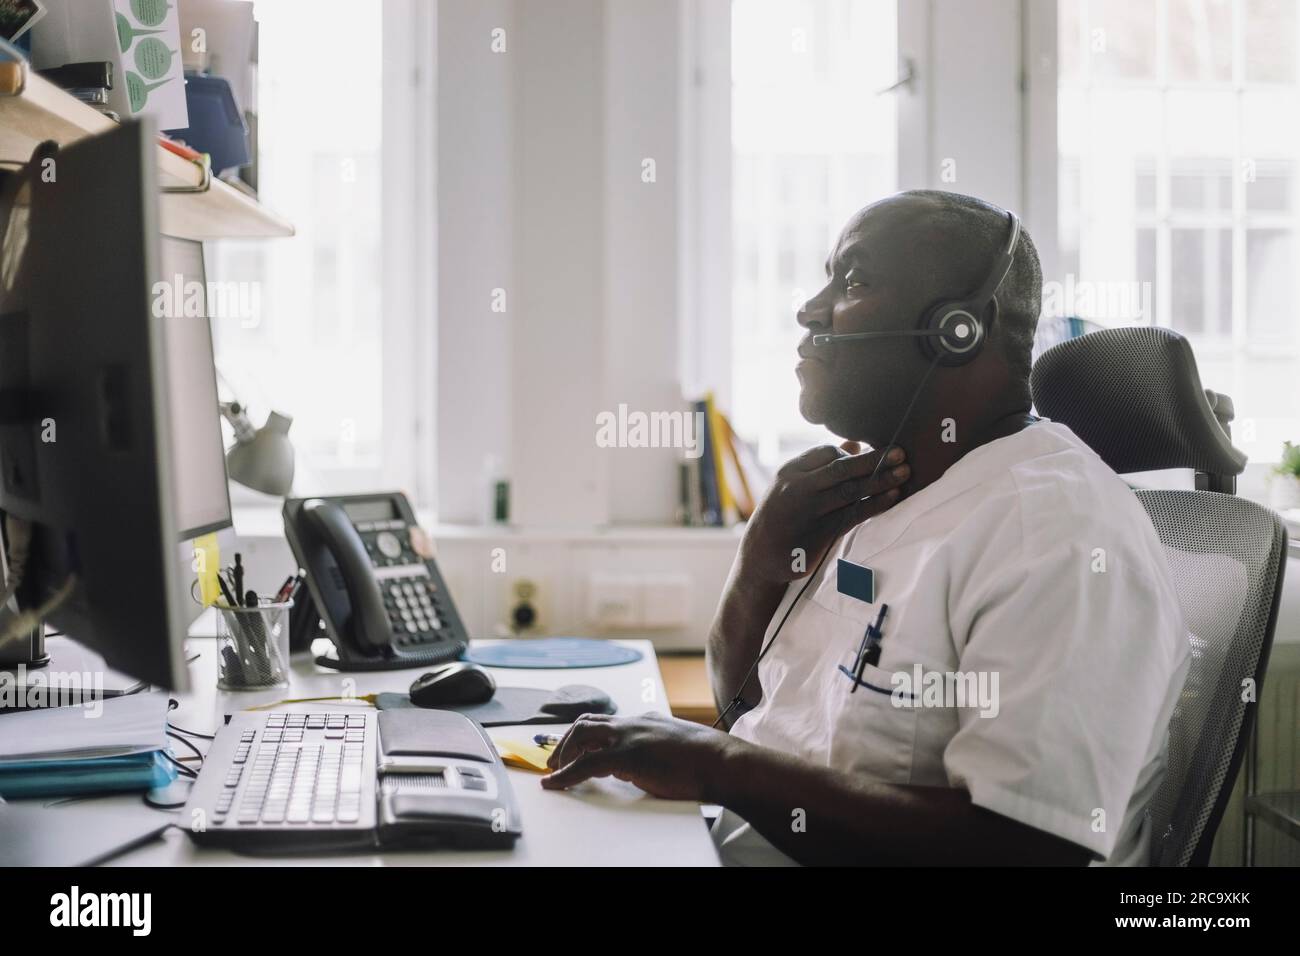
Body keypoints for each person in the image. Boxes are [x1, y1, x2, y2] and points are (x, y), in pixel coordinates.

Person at [541, 190, 1191, 866]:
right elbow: (746, 715)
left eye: (853, 280)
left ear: (959, 327)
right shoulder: (875, 492)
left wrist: (717, 766)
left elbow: (1021, 850)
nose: (809, 309)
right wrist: (758, 567)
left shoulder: (1057, 534)